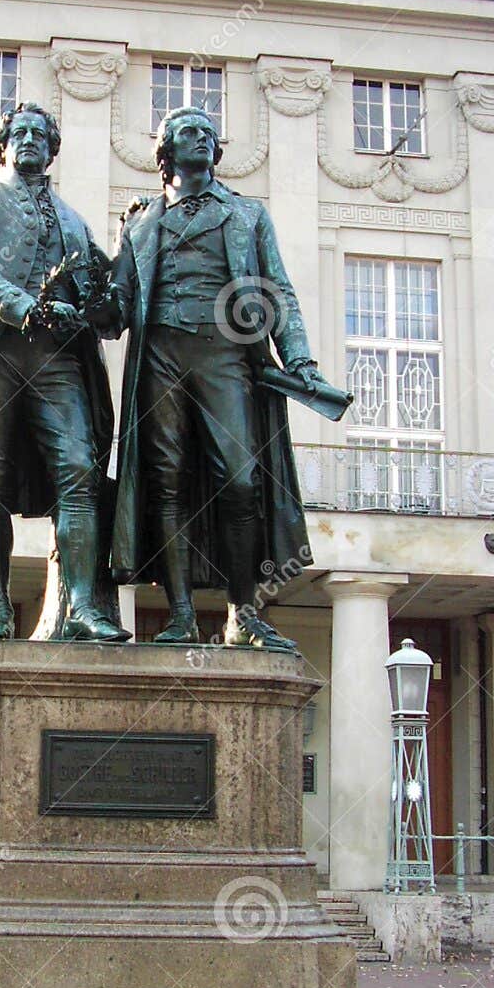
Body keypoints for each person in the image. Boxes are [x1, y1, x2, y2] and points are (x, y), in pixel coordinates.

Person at [104, 105, 321, 649]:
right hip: (160, 357)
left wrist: (299, 357)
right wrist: (96, 282)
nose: (200, 138)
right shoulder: (141, 221)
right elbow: (117, 309)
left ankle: (241, 613)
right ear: (165, 153)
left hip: (225, 356)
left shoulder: (247, 215)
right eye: (186, 132)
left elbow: (279, 291)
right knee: (166, 482)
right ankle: (180, 615)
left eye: (207, 133)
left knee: (241, 481)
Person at [0, 101, 128, 642]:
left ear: (52, 148)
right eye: (18, 133)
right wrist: (27, 306)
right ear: (2, 145)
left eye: (40, 134)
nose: (29, 141)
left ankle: (85, 608)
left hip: (58, 360)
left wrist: (128, 247)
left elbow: (104, 301)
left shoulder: (73, 221)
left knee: (79, 471)